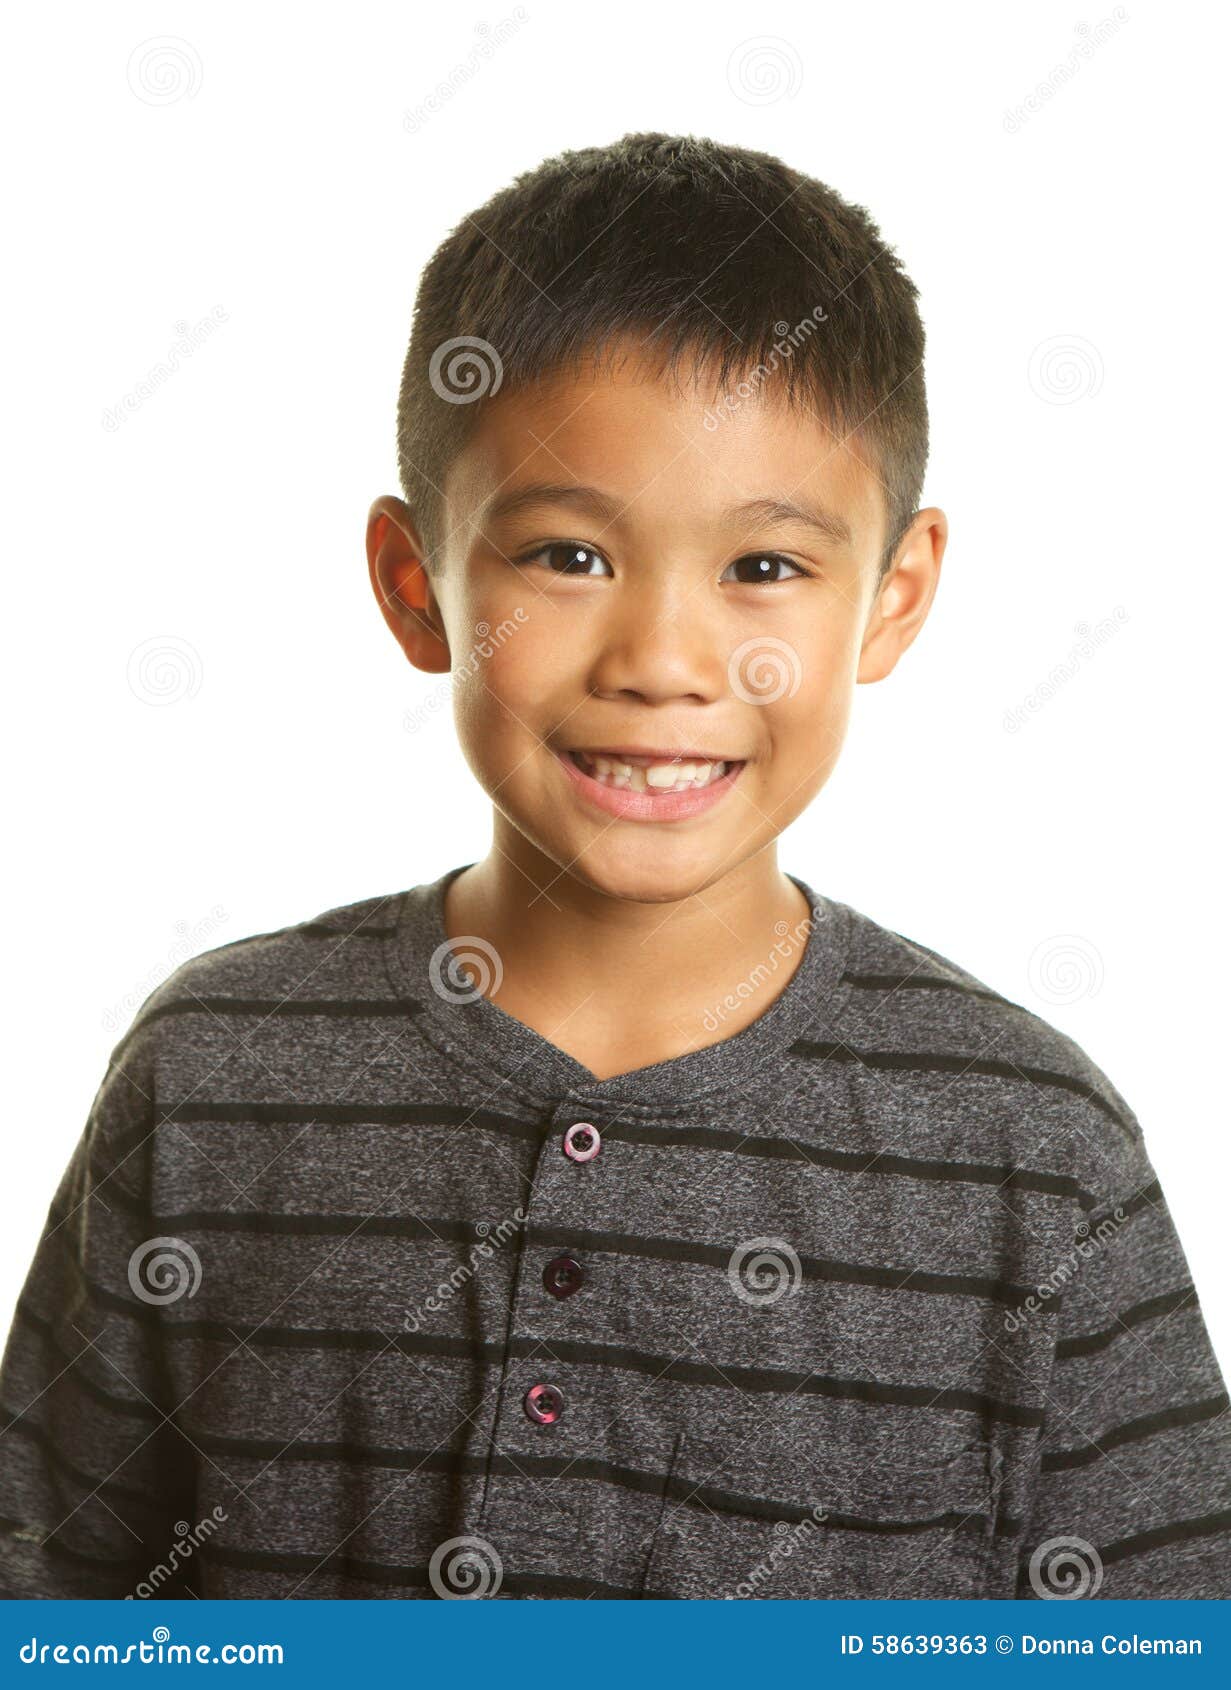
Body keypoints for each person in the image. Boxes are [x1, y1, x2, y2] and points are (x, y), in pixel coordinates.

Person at [1, 132, 1227, 1600]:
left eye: (763, 567)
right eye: (567, 556)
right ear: (418, 586)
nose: (660, 663)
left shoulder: (1036, 1151)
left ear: (892, 601)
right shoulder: (211, 1072)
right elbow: (53, 1597)